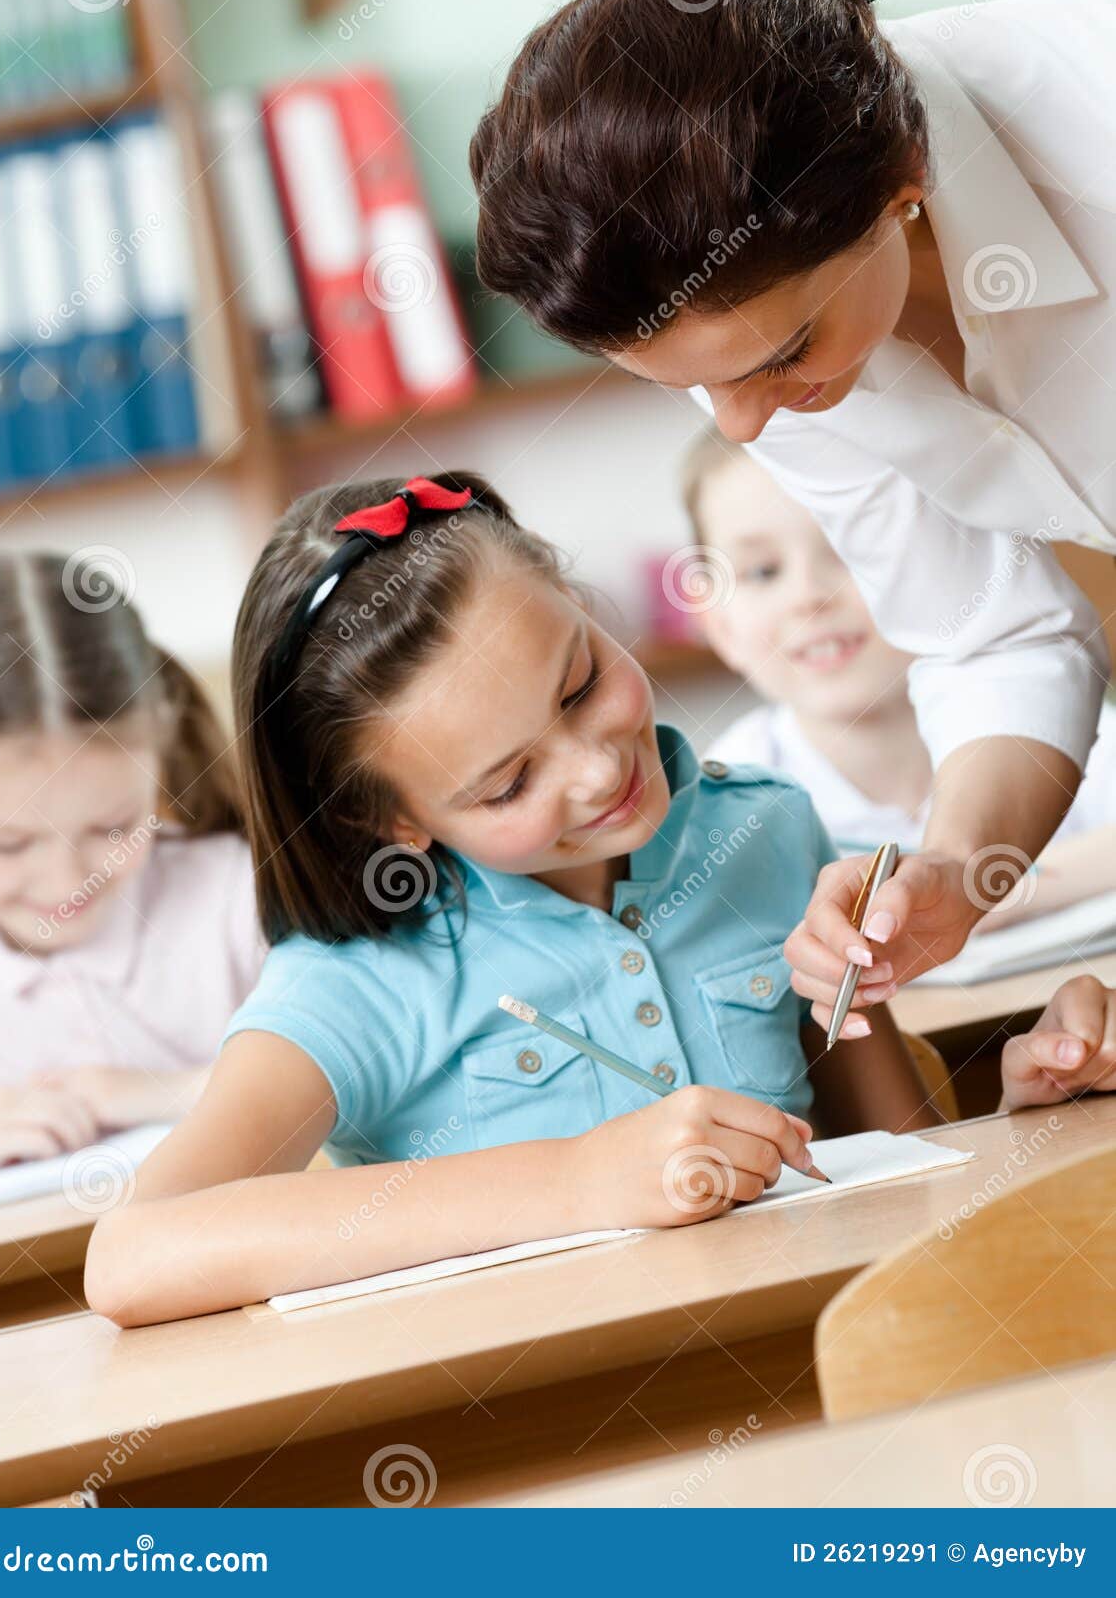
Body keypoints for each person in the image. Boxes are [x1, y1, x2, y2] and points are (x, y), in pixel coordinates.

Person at [83, 476, 1116, 1327]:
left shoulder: (764, 835)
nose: (591, 770)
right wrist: (576, 1182)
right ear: (387, 823)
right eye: (505, 784)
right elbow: (133, 1255)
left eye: (579, 683)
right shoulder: (366, 975)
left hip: (831, 1383)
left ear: (577, 601)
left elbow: (906, 1181)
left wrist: (1029, 1117)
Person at [468, 0, 1116, 1030]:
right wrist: (951, 872)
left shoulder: (1090, 122)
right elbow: (993, 631)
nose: (742, 421)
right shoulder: (735, 303)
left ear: (901, 186)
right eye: (692, 387)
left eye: (777, 358)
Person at [683, 428, 1116, 929]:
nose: (808, 597)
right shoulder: (729, 796)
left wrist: (970, 894)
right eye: (762, 572)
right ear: (717, 624)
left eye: (848, 552)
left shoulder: (1060, 729)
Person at [0, 552, 264, 1170]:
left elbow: (362, 1060)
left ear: (160, 757)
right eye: (8, 843)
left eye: (113, 827)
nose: (64, 881)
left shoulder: (238, 900)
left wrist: (148, 1094)